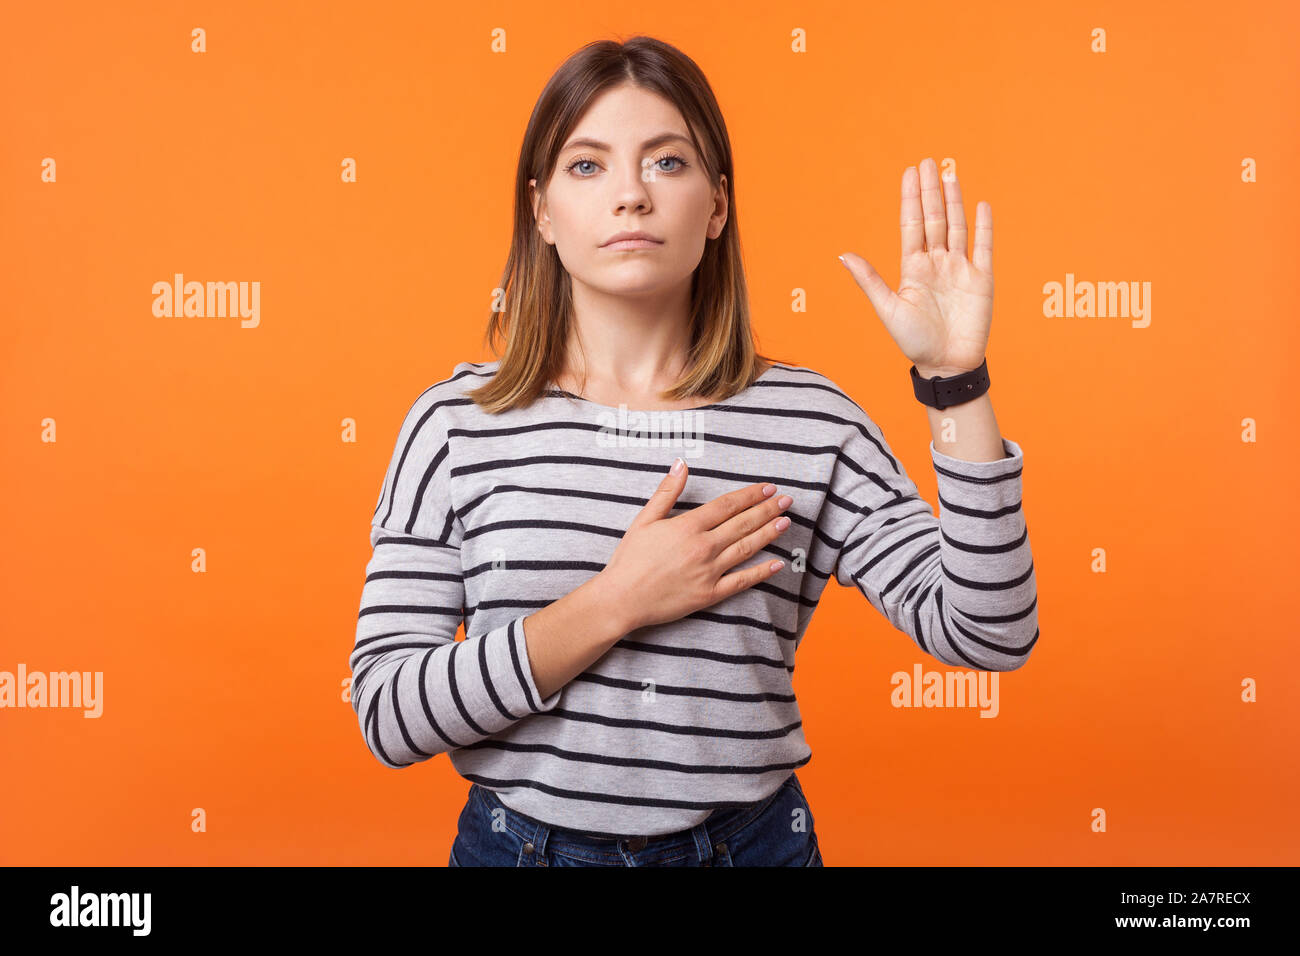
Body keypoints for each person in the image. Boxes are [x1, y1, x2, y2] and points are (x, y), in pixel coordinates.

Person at [349, 35, 1038, 867]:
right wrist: (616, 602)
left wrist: (954, 379)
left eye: (667, 163)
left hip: (750, 850)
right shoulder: (456, 422)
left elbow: (990, 632)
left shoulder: (812, 422)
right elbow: (388, 713)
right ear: (541, 210)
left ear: (716, 206)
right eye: (589, 165)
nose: (632, 196)